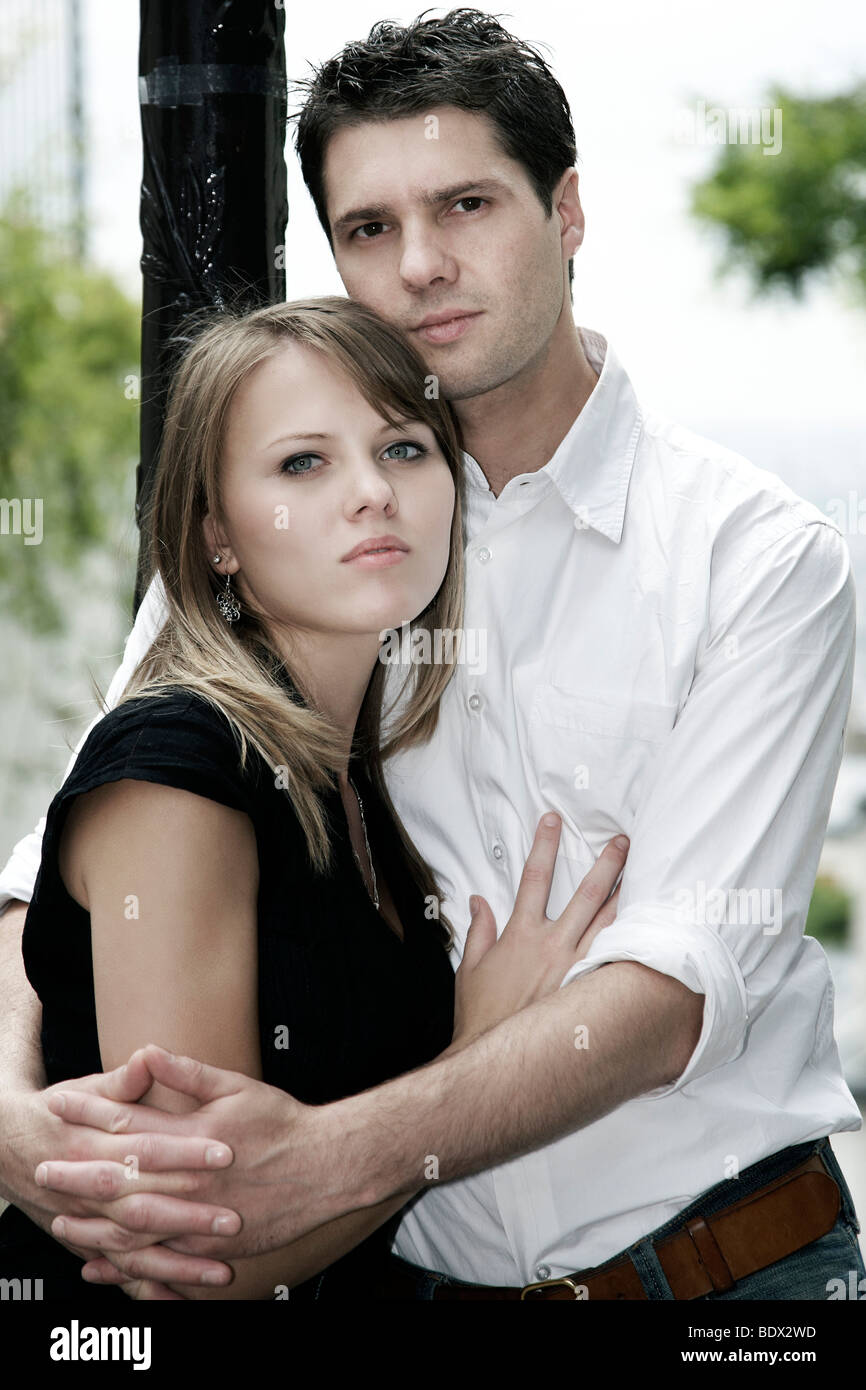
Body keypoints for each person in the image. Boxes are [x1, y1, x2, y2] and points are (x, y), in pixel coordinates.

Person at [0, 9, 862, 1301]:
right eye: (366, 228)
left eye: (466, 204)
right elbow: (52, 868)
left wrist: (337, 1152)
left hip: (724, 1273)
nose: (419, 264)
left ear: (565, 211)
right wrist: (10, 1119)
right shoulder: (288, 529)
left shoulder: (758, 556)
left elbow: (672, 985)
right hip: (397, 1276)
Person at [0, 292, 628, 1301]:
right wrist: (481, 1049)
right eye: (303, 463)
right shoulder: (180, 766)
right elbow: (203, 1254)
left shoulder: (353, 769)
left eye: (403, 449)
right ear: (217, 537)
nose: (370, 494)